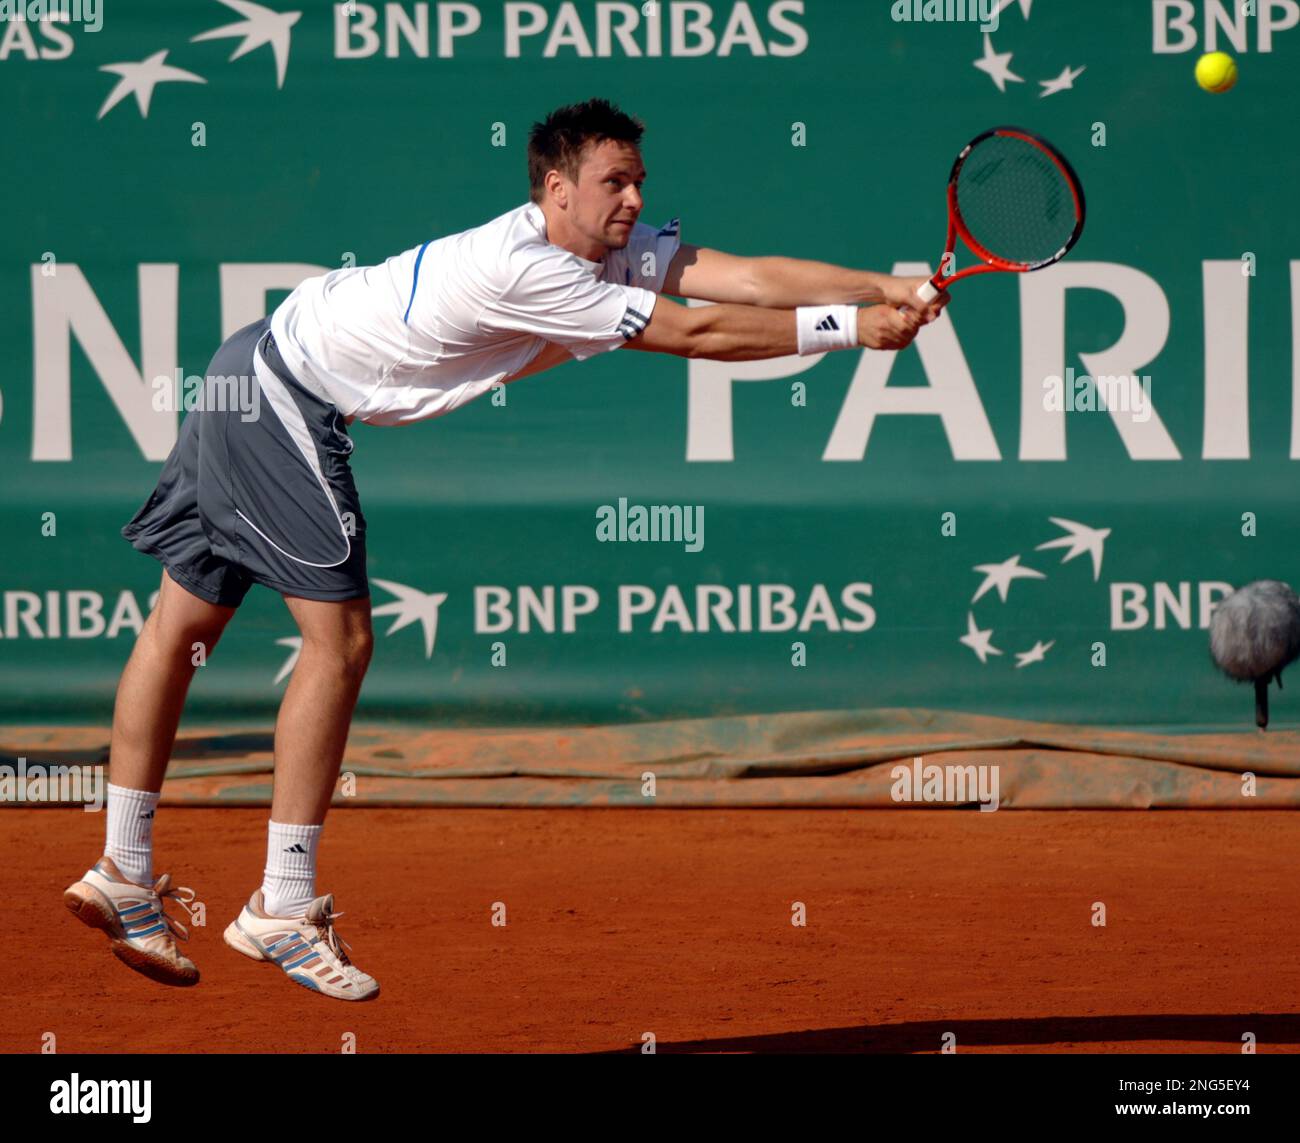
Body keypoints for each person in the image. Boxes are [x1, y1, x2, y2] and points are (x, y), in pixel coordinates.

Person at [63, 97, 949, 1002]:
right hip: (288, 398)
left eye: (640, 180)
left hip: (246, 364)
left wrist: (880, 285)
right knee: (341, 644)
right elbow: (697, 330)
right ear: (557, 188)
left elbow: (739, 277)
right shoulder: (531, 271)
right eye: (616, 181)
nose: (635, 198)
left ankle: (121, 869)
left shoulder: (592, 242)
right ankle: (281, 903)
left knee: (182, 624)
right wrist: (849, 331)